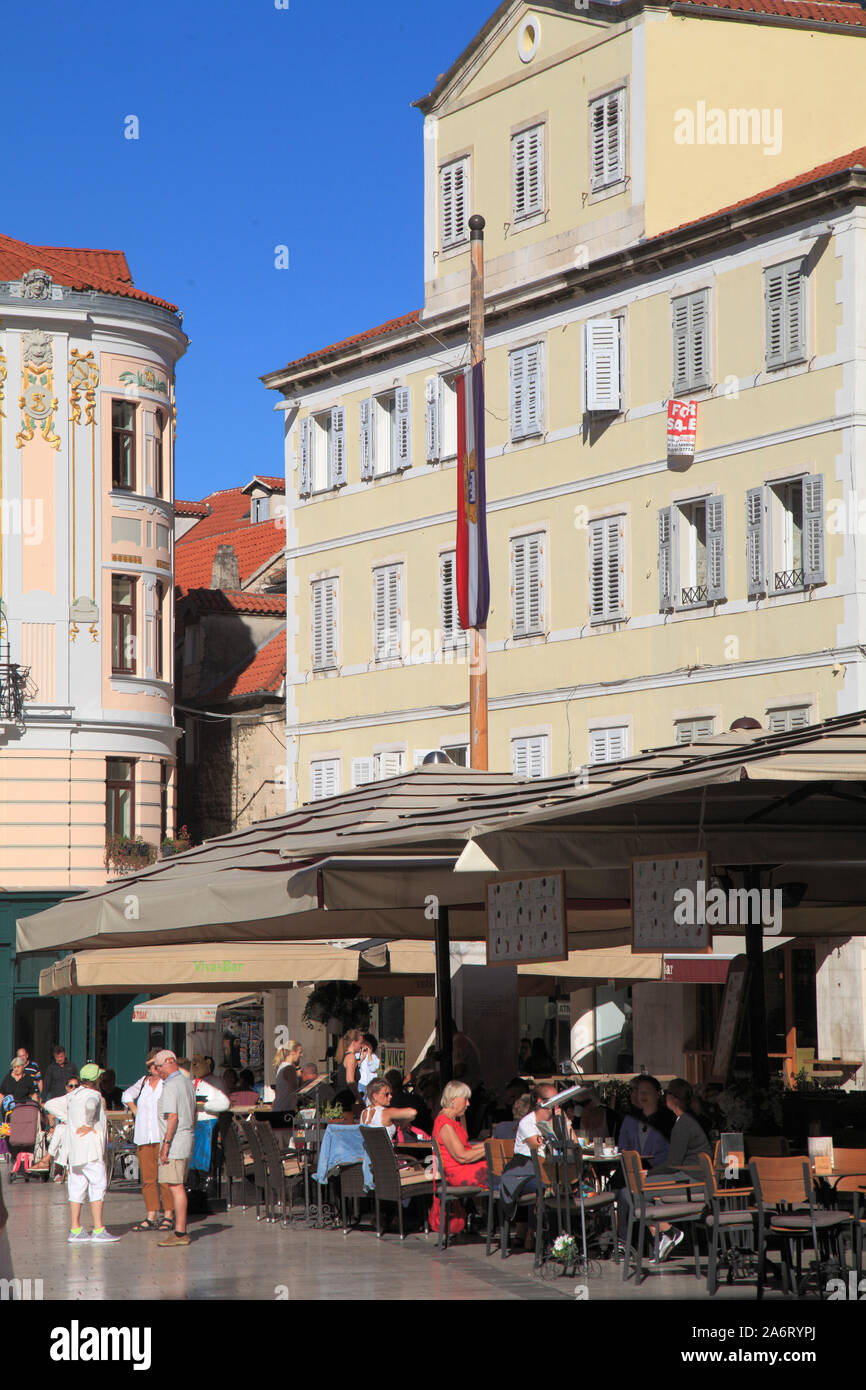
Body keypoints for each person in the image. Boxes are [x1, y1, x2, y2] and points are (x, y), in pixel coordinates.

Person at [44, 1062, 119, 1243]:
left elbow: (49, 1104)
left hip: (74, 1150)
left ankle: (75, 1228)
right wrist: (89, 1123)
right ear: (97, 1079)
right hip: (91, 1148)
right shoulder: (94, 1094)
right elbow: (93, 1105)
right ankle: (98, 1228)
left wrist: (70, 1118)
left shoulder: (72, 1095)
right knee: (97, 1186)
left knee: (76, 1188)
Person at [643, 1078, 713, 1262]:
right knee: (641, 1190)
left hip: (694, 1181)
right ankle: (665, 1234)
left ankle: (668, 1232)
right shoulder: (684, 1121)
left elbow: (673, 1164)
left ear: (675, 1098)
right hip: (688, 1177)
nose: (665, 1096)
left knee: (640, 1188)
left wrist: (649, 1174)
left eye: (668, 1093)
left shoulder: (684, 1125)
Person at [122, 1050, 173, 1232]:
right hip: (144, 1136)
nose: (154, 1068)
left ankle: (168, 1214)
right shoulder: (143, 1082)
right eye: (151, 1065)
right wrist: (135, 1110)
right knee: (148, 1179)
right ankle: (151, 1214)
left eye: (156, 1064)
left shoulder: (167, 1082)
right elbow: (126, 1095)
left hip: (161, 1135)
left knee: (165, 1178)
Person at [153, 1050, 197, 1248]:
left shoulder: (171, 1085)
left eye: (159, 1066)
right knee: (177, 1185)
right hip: (186, 1137)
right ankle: (180, 1231)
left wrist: (166, 1145)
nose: (157, 1070)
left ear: (170, 1062)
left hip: (175, 1141)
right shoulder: (187, 1082)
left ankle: (180, 1232)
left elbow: (172, 1116)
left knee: (175, 1186)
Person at [432, 1080, 487, 1186]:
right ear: (453, 1100)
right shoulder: (445, 1123)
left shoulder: (453, 1121)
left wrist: (490, 1144)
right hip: (458, 1173)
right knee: (500, 1171)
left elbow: (467, 1148)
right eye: (465, 1099)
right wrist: (490, 1149)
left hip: (464, 1169)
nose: (468, 1104)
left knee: (500, 1168)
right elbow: (462, 1156)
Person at [48, 1075, 79, 1182]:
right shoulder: (63, 1100)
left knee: (62, 1132)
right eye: (71, 1086)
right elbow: (50, 1111)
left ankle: (53, 1165)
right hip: (65, 1131)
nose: (74, 1088)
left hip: (78, 1131)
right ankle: (67, 1170)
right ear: (66, 1087)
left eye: (76, 1086)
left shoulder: (82, 1100)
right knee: (62, 1130)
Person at [273, 1042, 303, 1113]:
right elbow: (297, 1089)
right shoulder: (289, 1068)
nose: (301, 1055)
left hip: (280, 1109)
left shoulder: (282, 1066)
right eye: (300, 1052)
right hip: (285, 1110)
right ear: (292, 1052)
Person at [357, 1033, 380, 1099]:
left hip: (371, 1084)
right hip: (361, 1083)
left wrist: (369, 1055)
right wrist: (362, 1058)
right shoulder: (359, 1054)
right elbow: (356, 1065)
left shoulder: (374, 1057)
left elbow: (373, 1068)